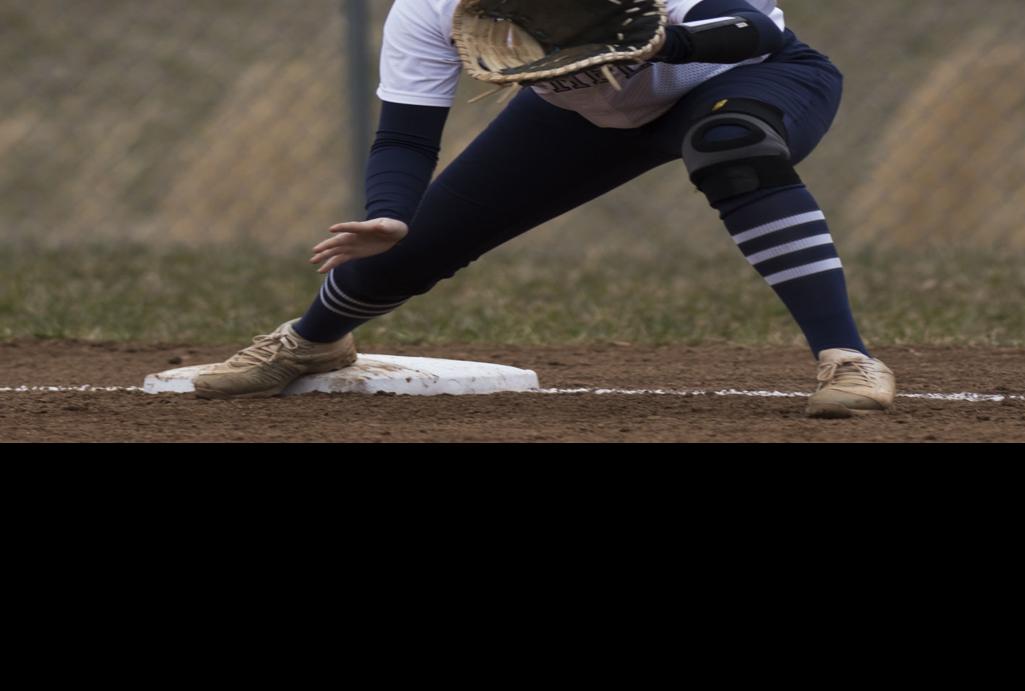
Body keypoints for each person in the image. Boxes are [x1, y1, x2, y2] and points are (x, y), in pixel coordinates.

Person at [194, 0, 895, 419]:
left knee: (729, 148)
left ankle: (848, 360)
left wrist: (660, 43)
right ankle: (311, 340)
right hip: (585, 109)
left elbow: (755, 28)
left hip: (740, 79)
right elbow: (407, 133)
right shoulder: (431, 9)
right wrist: (389, 213)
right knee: (416, 241)